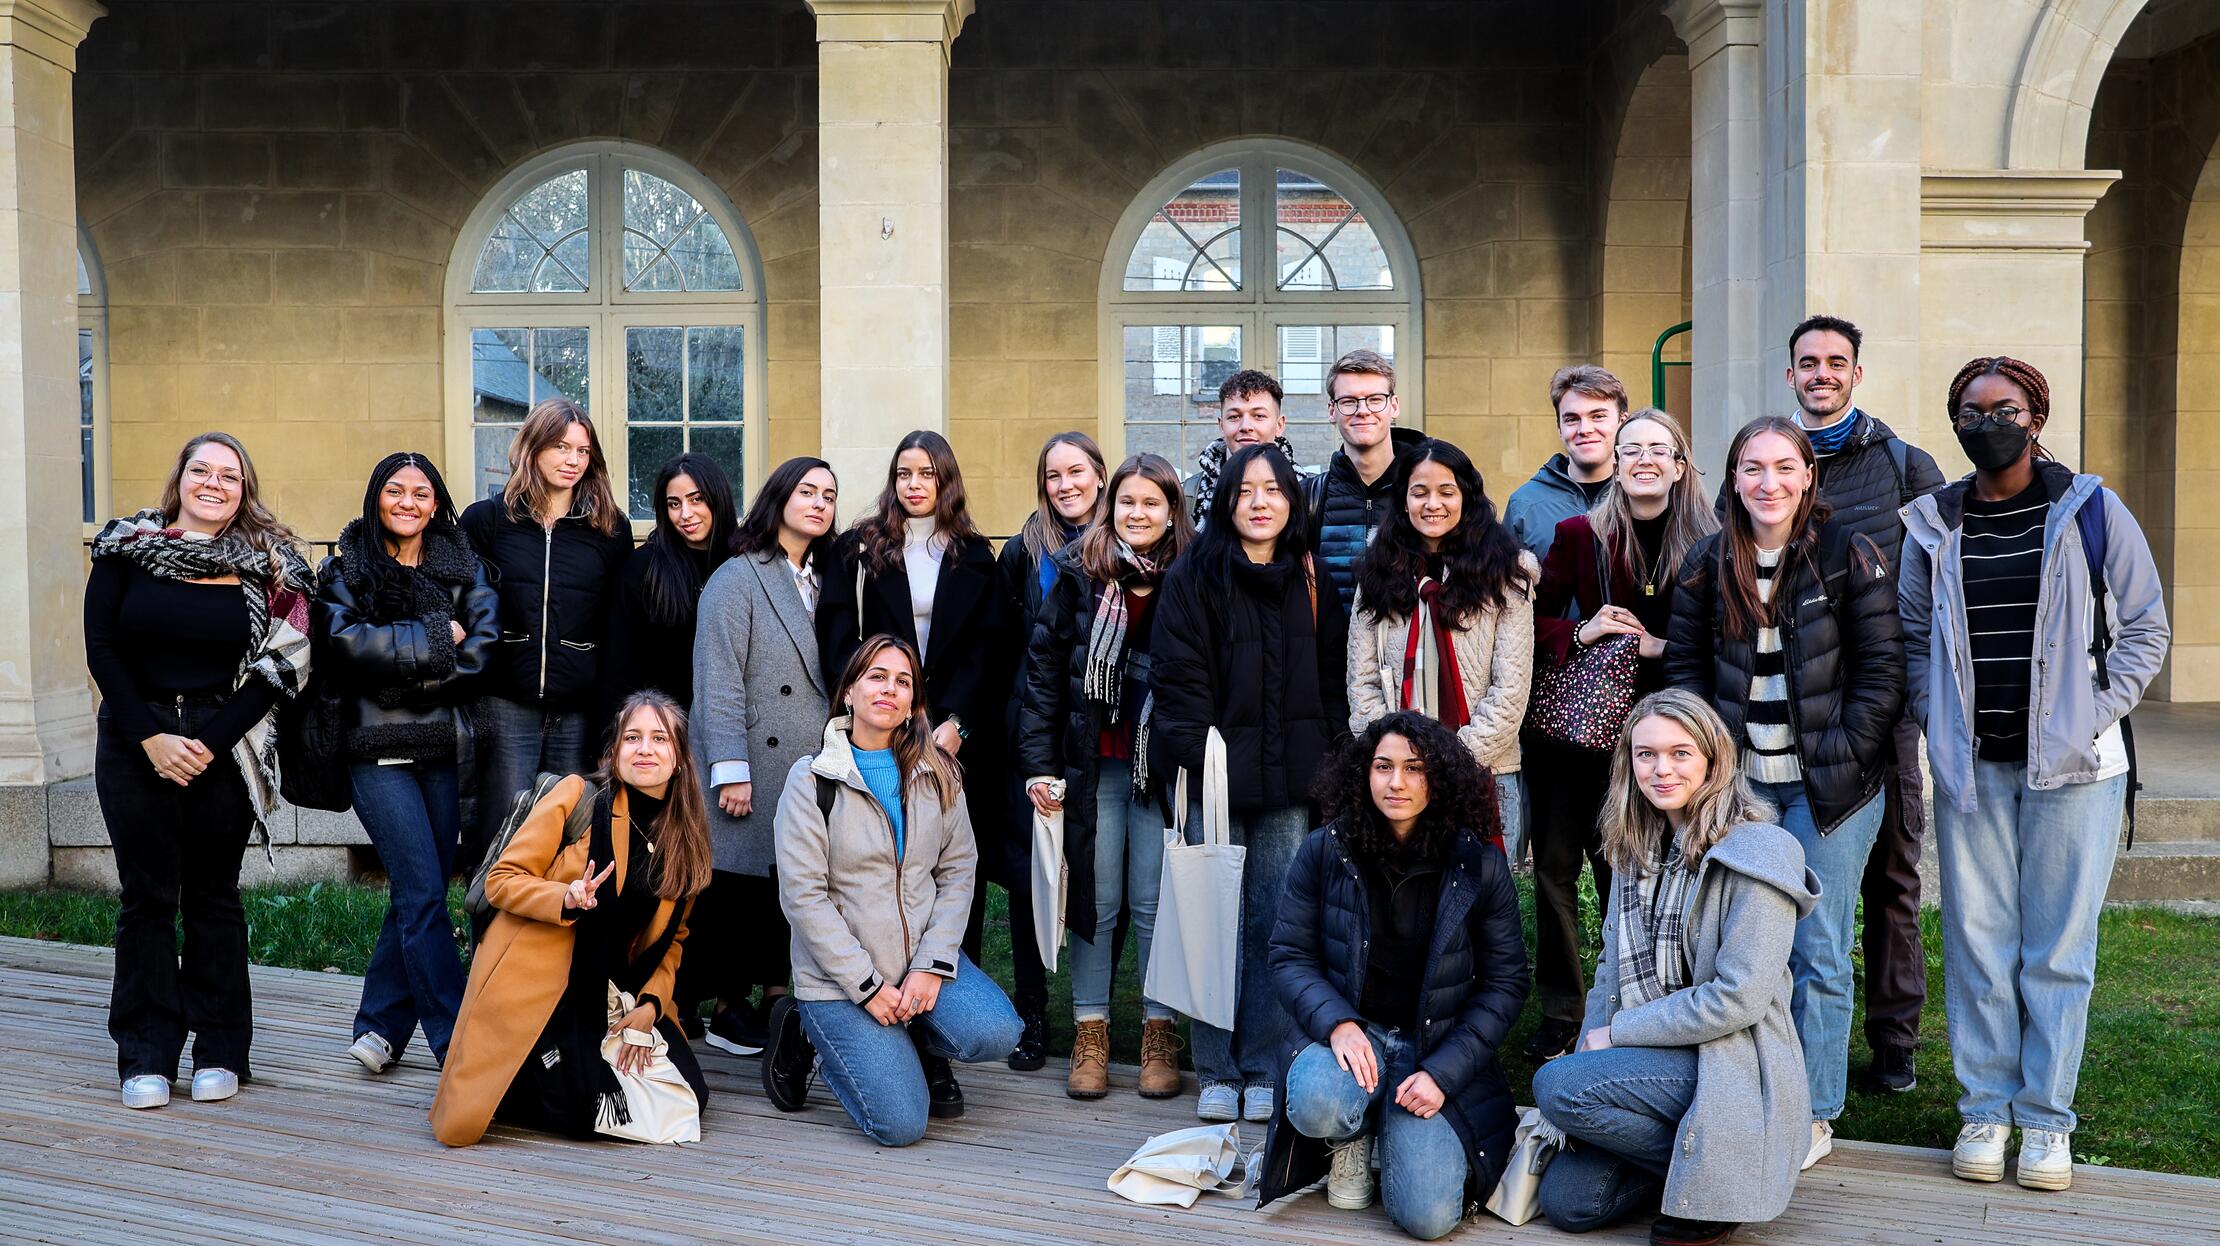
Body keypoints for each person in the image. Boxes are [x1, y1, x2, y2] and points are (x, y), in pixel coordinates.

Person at [1901, 356, 2168, 1193]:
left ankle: (2047, 1121)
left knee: (2056, 950)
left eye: (2006, 408)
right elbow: (1915, 637)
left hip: (2076, 771)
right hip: (1971, 769)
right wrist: (1933, 715)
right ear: (1956, 424)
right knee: (1978, 944)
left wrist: (2086, 715)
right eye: (1972, 411)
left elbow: (2146, 631)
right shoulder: (1931, 523)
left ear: (2036, 416)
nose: (1990, 422)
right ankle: (1986, 1109)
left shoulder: (2090, 509)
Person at [1666, 415, 1904, 1170]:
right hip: (1739, 794)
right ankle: (1748, 1090)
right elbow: (1684, 675)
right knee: (1737, 950)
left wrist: (1837, 754)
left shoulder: (1848, 555)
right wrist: (1712, 770)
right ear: (1732, 479)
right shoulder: (1708, 563)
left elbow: (1882, 674)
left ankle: (1811, 1114)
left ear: (1808, 477)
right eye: (1751, 468)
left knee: (1819, 949)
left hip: (1829, 790)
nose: (1768, 483)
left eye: (1783, 467)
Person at [1532, 690, 1818, 1246]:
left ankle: (1733, 1169)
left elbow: (1737, 998)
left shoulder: (1761, 851)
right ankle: (1701, 1162)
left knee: (1555, 1087)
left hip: (1729, 1060)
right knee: (1570, 1202)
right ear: (1628, 763)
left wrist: (1614, 1036)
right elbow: (1611, 978)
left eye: (1680, 753)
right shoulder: (1633, 848)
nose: (1661, 769)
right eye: (1645, 755)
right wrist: (1591, 1043)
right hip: (1654, 1061)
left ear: (1714, 759)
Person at [85, 432, 315, 1110]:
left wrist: (208, 741)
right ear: (179, 478)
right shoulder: (125, 550)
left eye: (230, 475)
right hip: (135, 739)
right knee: (147, 898)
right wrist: (152, 737)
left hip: (226, 741)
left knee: (214, 897)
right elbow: (103, 649)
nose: (214, 483)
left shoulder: (269, 567)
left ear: (244, 490)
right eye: (201, 470)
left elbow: (285, 662)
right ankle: (146, 1054)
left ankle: (221, 1048)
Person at [1257, 712, 1528, 1241]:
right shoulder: (1325, 849)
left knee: (1428, 1218)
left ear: (1440, 777)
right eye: (1383, 766)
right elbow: (1288, 954)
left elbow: (1506, 983)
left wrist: (1444, 1074)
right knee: (1318, 1103)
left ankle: (1388, 1118)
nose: (1396, 782)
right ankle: (1350, 1134)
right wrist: (1337, 1023)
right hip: (1358, 1034)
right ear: (1364, 773)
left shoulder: (1478, 864)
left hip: (1435, 1048)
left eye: (1414, 768)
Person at [816, 431, 1015, 1115]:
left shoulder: (973, 555)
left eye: (927, 473)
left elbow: (991, 652)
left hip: (954, 741)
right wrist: (881, 713)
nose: (914, 484)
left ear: (947, 480)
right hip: (878, 727)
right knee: (871, 868)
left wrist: (956, 722)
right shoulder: (862, 550)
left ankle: (933, 1041)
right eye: (903, 471)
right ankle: (865, 1005)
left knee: (943, 871)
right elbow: (839, 639)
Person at [759, 635, 1022, 1146]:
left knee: (997, 1033)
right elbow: (804, 898)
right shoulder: (812, 779)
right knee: (900, 1125)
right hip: (841, 979)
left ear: (914, 705)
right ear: (849, 693)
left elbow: (958, 870)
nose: (889, 689)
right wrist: (868, 986)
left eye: (903, 682)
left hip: (919, 964)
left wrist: (932, 964)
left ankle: (912, 1034)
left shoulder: (939, 773)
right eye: (876, 676)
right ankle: (802, 1030)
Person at [1153, 442, 1349, 1124]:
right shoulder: (1195, 575)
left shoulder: (1312, 577)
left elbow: (1331, 686)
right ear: (1226, 502)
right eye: (1246, 491)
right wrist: (1201, 761)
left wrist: (1328, 769)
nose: (1260, 502)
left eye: (1274, 490)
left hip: (1293, 783)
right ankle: (1214, 1067)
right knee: (1214, 922)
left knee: (1275, 925)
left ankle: (1266, 1064)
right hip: (1215, 781)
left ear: (1292, 502)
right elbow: (1177, 683)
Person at [1774, 315, 1945, 1095]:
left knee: (1892, 873)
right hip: (1791, 698)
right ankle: (1782, 1038)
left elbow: (1943, 579)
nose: (1821, 374)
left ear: (1856, 374)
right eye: (1808, 363)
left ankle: (1894, 1038)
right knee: (1788, 876)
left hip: (1883, 697)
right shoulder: (1768, 459)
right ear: (1791, 376)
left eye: (1835, 362)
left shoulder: (1905, 465)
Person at [429, 691, 714, 1147]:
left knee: (692, 1095)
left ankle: (538, 1074)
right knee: (584, 1105)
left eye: (660, 739)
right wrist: (565, 896)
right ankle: (517, 1072)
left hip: (615, 996)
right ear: (614, 752)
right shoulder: (578, 799)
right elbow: (502, 879)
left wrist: (650, 1007)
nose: (645, 749)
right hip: (550, 988)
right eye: (633, 737)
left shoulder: (686, 840)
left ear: (679, 758)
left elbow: (672, 941)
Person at [1522, 409, 1717, 1061]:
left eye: (1658, 449)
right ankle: (1561, 1008)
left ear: (1679, 464)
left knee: (1633, 870)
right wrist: (1583, 631)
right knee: (1553, 869)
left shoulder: (1709, 539)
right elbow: (1534, 621)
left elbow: (1724, 634)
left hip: (1664, 740)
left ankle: (1633, 1001)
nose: (1643, 459)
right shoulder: (1581, 534)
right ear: (1615, 459)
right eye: (1630, 448)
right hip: (1577, 734)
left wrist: (1666, 645)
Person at [1016, 453, 1193, 1101]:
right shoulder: (1077, 573)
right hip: (1091, 764)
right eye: (1127, 503)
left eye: (1152, 503)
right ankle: (1090, 1031)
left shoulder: (1193, 575)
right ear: (1110, 507)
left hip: (1162, 765)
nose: (1138, 514)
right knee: (1096, 898)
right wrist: (1039, 764)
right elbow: (1042, 679)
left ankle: (1158, 1031)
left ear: (1171, 509)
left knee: (1155, 900)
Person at [318, 452, 499, 1076]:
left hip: (442, 752)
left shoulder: (463, 564)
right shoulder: (348, 567)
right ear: (376, 497)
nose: (408, 503)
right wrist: (433, 639)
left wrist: (395, 673)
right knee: (423, 890)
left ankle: (379, 1027)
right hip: (375, 753)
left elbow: (481, 650)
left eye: (421, 493)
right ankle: (457, 1041)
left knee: (413, 889)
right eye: (395, 491)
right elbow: (345, 648)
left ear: (436, 503)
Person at [684, 457, 838, 1057]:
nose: (820, 503)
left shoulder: (824, 578)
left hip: (808, 763)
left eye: (829, 494)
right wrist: (729, 769)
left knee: (790, 882)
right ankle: (723, 1005)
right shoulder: (738, 577)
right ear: (778, 499)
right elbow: (717, 679)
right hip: (751, 761)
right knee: (735, 888)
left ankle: (777, 996)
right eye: (807, 491)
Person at [458, 398, 633, 870]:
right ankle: (491, 943)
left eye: (582, 450)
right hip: (504, 700)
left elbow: (615, 622)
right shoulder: (486, 520)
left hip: (577, 707)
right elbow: (460, 598)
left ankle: (555, 940)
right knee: (502, 835)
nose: (573, 460)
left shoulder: (610, 529)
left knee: (570, 835)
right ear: (533, 448)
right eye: (560, 447)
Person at [1346, 438, 1537, 862]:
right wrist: (1404, 762)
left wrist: (1448, 761)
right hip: (1399, 778)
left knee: (1484, 908)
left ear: (1466, 496)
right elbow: (1362, 686)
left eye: (1446, 491)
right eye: (1419, 492)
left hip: (1484, 768)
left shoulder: (1507, 574)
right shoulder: (1376, 573)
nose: (1433, 504)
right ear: (1403, 500)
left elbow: (1509, 692)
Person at [994, 431, 1107, 1072]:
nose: (1065, 485)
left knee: (1098, 873)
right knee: (1030, 872)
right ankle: (1032, 1015)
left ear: (1098, 475)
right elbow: (1012, 645)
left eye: (1076, 472)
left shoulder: (1123, 545)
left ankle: (1094, 1019)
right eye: (1053, 475)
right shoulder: (1024, 552)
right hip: (1035, 729)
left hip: (1097, 737)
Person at [607, 452, 740, 710]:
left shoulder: (743, 565)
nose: (685, 514)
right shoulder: (643, 567)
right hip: (660, 729)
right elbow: (617, 664)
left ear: (718, 499)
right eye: (674, 504)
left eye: (697, 500)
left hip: (730, 724)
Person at [1300, 349, 1424, 610]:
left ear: (1395, 406)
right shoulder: (1307, 498)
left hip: (1411, 649)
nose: (1363, 411)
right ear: (1332, 410)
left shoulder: (1427, 492)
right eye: (1349, 401)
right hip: (1329, 648)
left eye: (1375, 399)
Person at [1505, 364, 1628, 561]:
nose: (1585, 429)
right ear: (1559, 428)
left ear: (1623, 421)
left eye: (1598, 416)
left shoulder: (1642, 495)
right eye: (1572, 419)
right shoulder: (1524, 504)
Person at [1181, 369, 1314, 525]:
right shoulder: (1190, 496)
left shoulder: (1308, 492)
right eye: (1234, 417)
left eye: (1258, 416)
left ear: (1279, 425)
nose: (1246, 426)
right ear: (1221, 425)